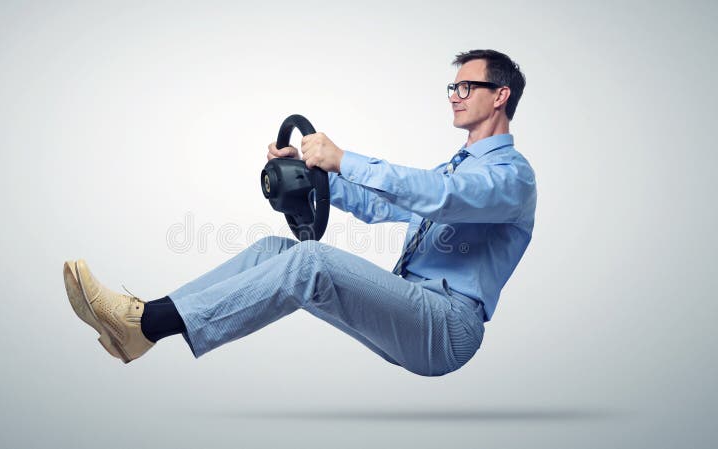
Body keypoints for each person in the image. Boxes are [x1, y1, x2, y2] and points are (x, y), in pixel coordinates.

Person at [63, 49, 536, 377]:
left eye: (467, 85)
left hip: (447, 329)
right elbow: (377, 202)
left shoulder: (512, 178)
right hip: (407, 312)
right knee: (277, 250)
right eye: (452, 85)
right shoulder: (452, 171)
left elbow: (443, 197)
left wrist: (345, 158)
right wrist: (308, 172)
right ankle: (145, 322)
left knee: (312, 262)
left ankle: (143, 325)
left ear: (501, 96)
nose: (454, 94)